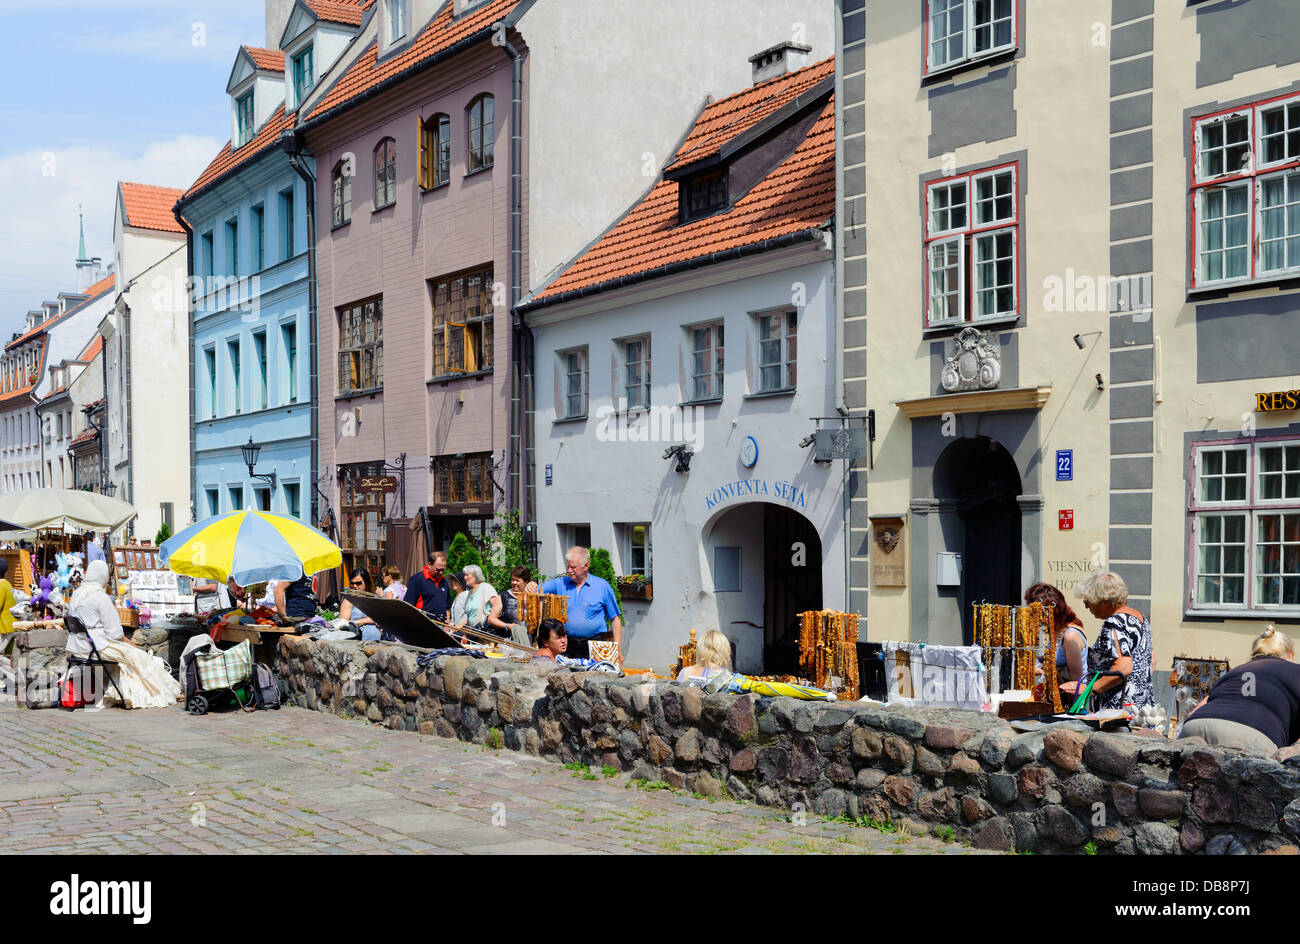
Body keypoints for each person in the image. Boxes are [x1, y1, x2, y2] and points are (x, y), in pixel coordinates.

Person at [64, 560, 180, 709]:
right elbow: (115, 634)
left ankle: (121, 692)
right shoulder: (100, 597)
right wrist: (132, 645)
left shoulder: (77, 594)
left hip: (77, 647)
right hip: (95, 647)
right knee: (138, 656)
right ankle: (166, 691)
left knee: (130, 656)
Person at [1181, 627, 1300, 752]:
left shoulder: (1237, 670)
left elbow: (1194, 711)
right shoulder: (1295, 670)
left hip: (1195, 725)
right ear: (1290, 654)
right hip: (1253, 734)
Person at [1060, 571, 1154, 712]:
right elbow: (1150, 658)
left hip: (1116, 711)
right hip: (1140, 707)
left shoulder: (1114, 623)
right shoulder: (1139, 618)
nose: (1086, 607)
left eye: (1087, 601)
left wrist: (1090, 689)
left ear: (1102, 600)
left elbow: (1123, 668)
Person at [525, 547, 622, 660]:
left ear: (586, 566)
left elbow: (615, 619)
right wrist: (529, 585)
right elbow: (535, 590)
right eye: (568, 566)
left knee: (597, 676)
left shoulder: (602, 586)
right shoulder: (560, 583)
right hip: (568, 644)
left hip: (596, 644)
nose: (569, 570)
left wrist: (617, 649)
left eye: (573, 567)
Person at [1024, 582, 1089, 683]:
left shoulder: (1070, 635)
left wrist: (1044, 670)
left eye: (1038, 613)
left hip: (1074, 697)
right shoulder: (1055, 631)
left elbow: (1076, 676)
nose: (1035, 618)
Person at [487, 566, 531, 645]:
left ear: (526, 581)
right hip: (508, 642)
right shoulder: (504, 596)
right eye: (512, 579)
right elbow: (491, 619)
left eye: (517, 580)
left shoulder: (533, 598)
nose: (514, 583)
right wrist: (508, 626)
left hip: (528, 641)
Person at [404, 551, 453, 620]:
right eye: (438, 570)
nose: (441, 573)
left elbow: (447, 607)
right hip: (423, 625)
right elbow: (407, 606)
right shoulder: (417, 580)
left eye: (443, 570)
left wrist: (447, 621)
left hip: (441, 626)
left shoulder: (444, 582)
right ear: (429, 565)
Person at [451, 565, 498, 632]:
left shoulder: (486, 588)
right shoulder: (470, 593)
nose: (464, 577)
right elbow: (471, 617)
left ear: (475, 575)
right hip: (474, 634)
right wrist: (459, 626)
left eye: (467, 575)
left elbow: (497, 609)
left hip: (486, 634)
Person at [0, 557, 17, 637]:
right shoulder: (7, 584)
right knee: (8, 650)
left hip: (4, 628)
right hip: (11, 625)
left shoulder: (1, 586)